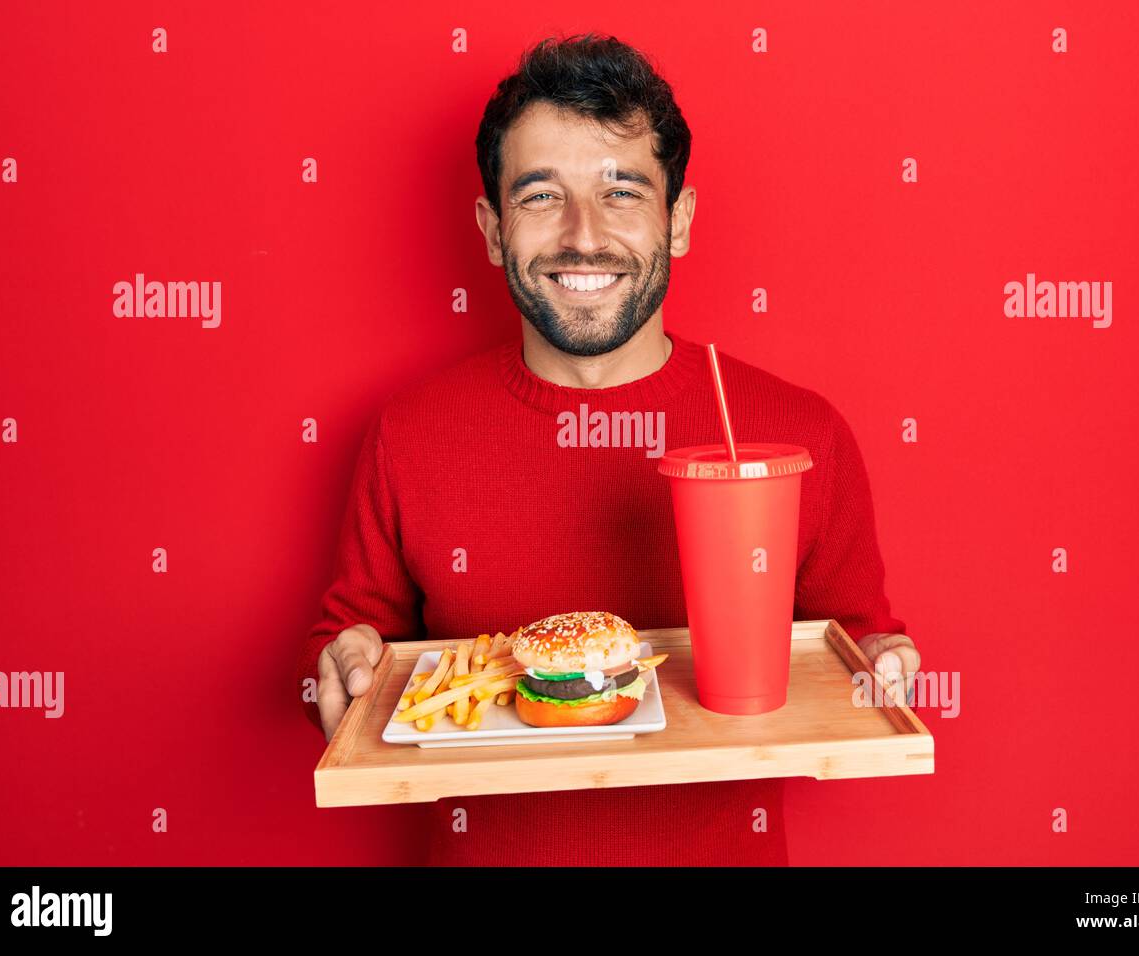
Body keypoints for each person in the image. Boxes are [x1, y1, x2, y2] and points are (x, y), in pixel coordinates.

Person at [296, 33, 921, 866]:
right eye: (541, 195)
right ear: (491, 229)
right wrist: (337, 669)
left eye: (622, 191)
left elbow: (857, 643)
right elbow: (346, 645)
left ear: (681, 219)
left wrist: (883, 661)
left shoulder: (798, 432)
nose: (583, 237)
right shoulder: (408, 433)